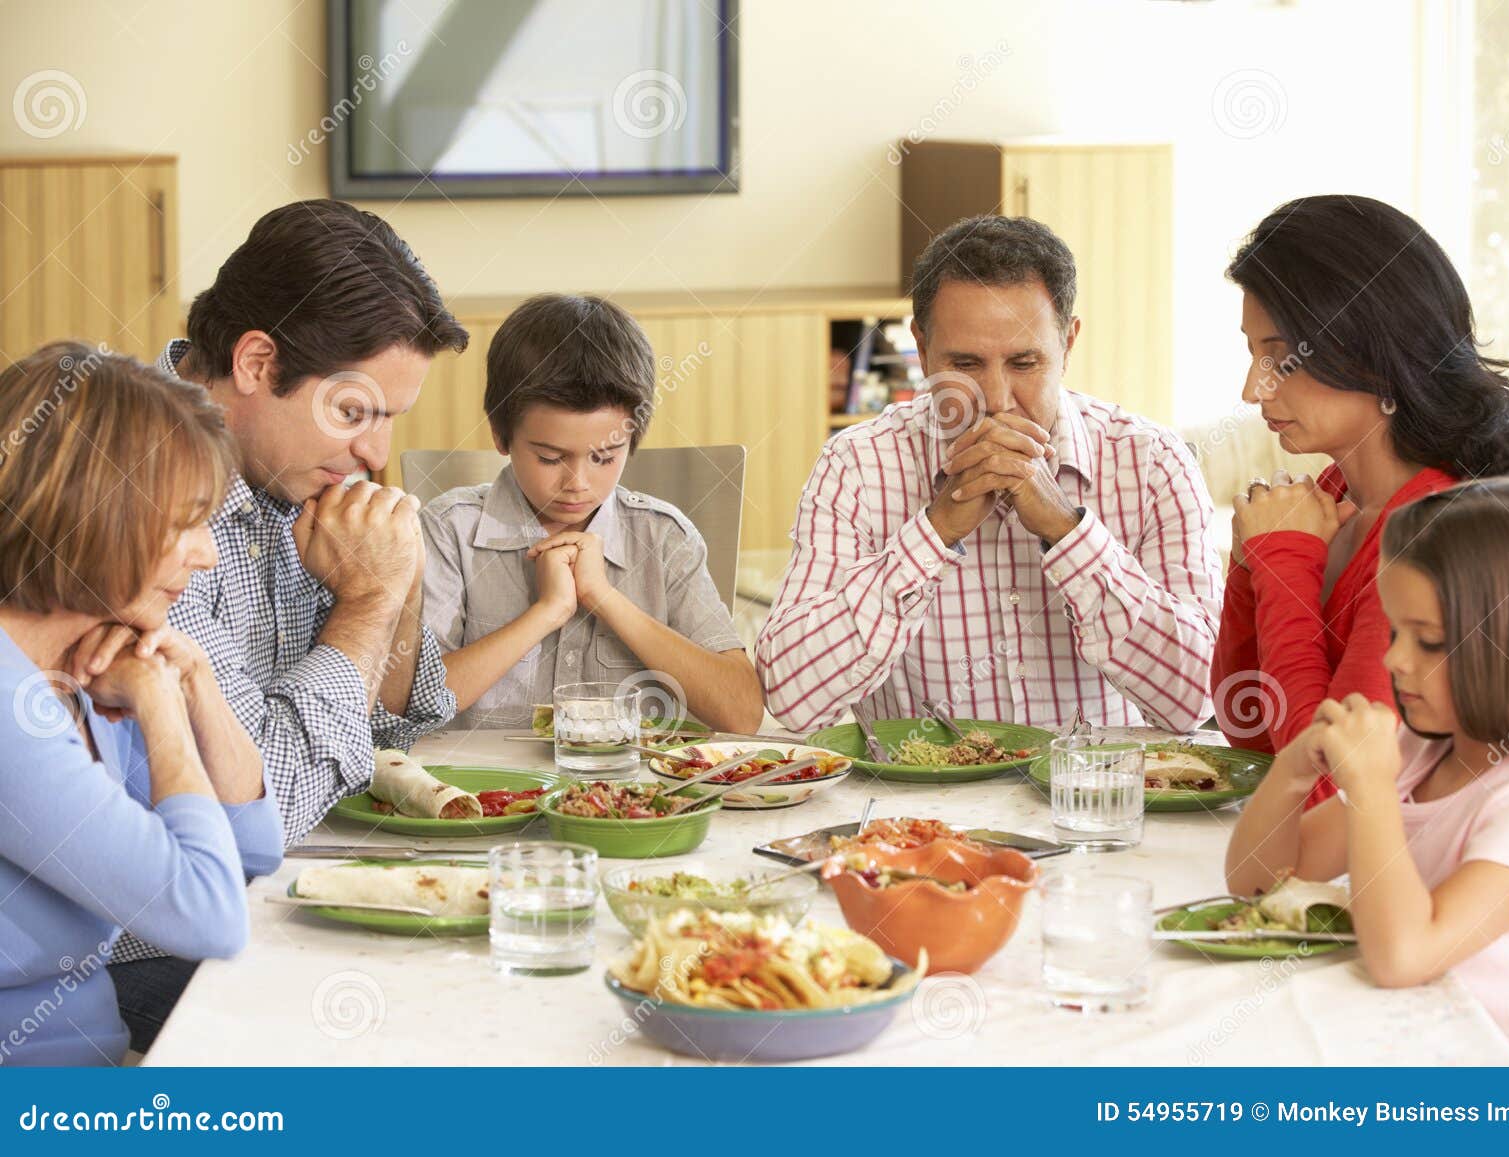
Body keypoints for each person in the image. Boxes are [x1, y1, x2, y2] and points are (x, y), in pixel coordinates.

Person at [100, 198, 469, 1048]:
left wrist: (397, 580)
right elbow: (270, 804)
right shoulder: (140, 493)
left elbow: (380, 723)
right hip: (142, 948)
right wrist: (367, 606)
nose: (377, 454)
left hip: (264, 890)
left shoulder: (284, 471)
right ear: (258, 362)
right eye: (355, 412)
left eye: (389, 422)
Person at [757, 215, 1220, 733]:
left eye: (1024, 364)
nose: (996, 400)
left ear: (1068, 344)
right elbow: (792, 698)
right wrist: (933, 533)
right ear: (923, 349)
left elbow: (1196, 698)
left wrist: (1068, 532)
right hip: (916, 810)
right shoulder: (857, 465)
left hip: (1095, 804)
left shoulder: (1153, 462)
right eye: (967, 365)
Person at [1225, 479, 1509, 1066]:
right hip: (1408, 1046)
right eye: (1396, 632)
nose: (1393, 659)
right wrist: (1297, 765)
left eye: (1429, 642)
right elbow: (1261, 883)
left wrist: (1370, 791)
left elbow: (1402, 957)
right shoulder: (1422, 753)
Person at [1211, 195, 1509, 804]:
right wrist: (1250, 570)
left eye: (1281, 357)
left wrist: (1283, 563)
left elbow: (1328, 789)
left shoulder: (1436, 530)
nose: (1252, 388)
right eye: (1252, 353)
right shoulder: (1329, 500)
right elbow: (1248, 739)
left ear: (1374, 351)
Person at [0, 342, 282, 1066]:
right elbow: (210, 912)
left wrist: (196, 684)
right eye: (186, 523)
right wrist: (158, 704)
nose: (208, 554)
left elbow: (254, 851)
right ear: (95, 511)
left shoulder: (83, 666)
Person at [421, 294, 761, 733]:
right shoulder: (449, 531)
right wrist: (548, 611)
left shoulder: (663, 537)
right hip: (488, 796)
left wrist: (603, 597)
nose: (577, 483)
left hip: (630, 794)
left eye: (604, 457)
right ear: (501, 435)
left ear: (633, 438)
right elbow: (415, 705)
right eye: (548, 457)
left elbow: (741, 714)